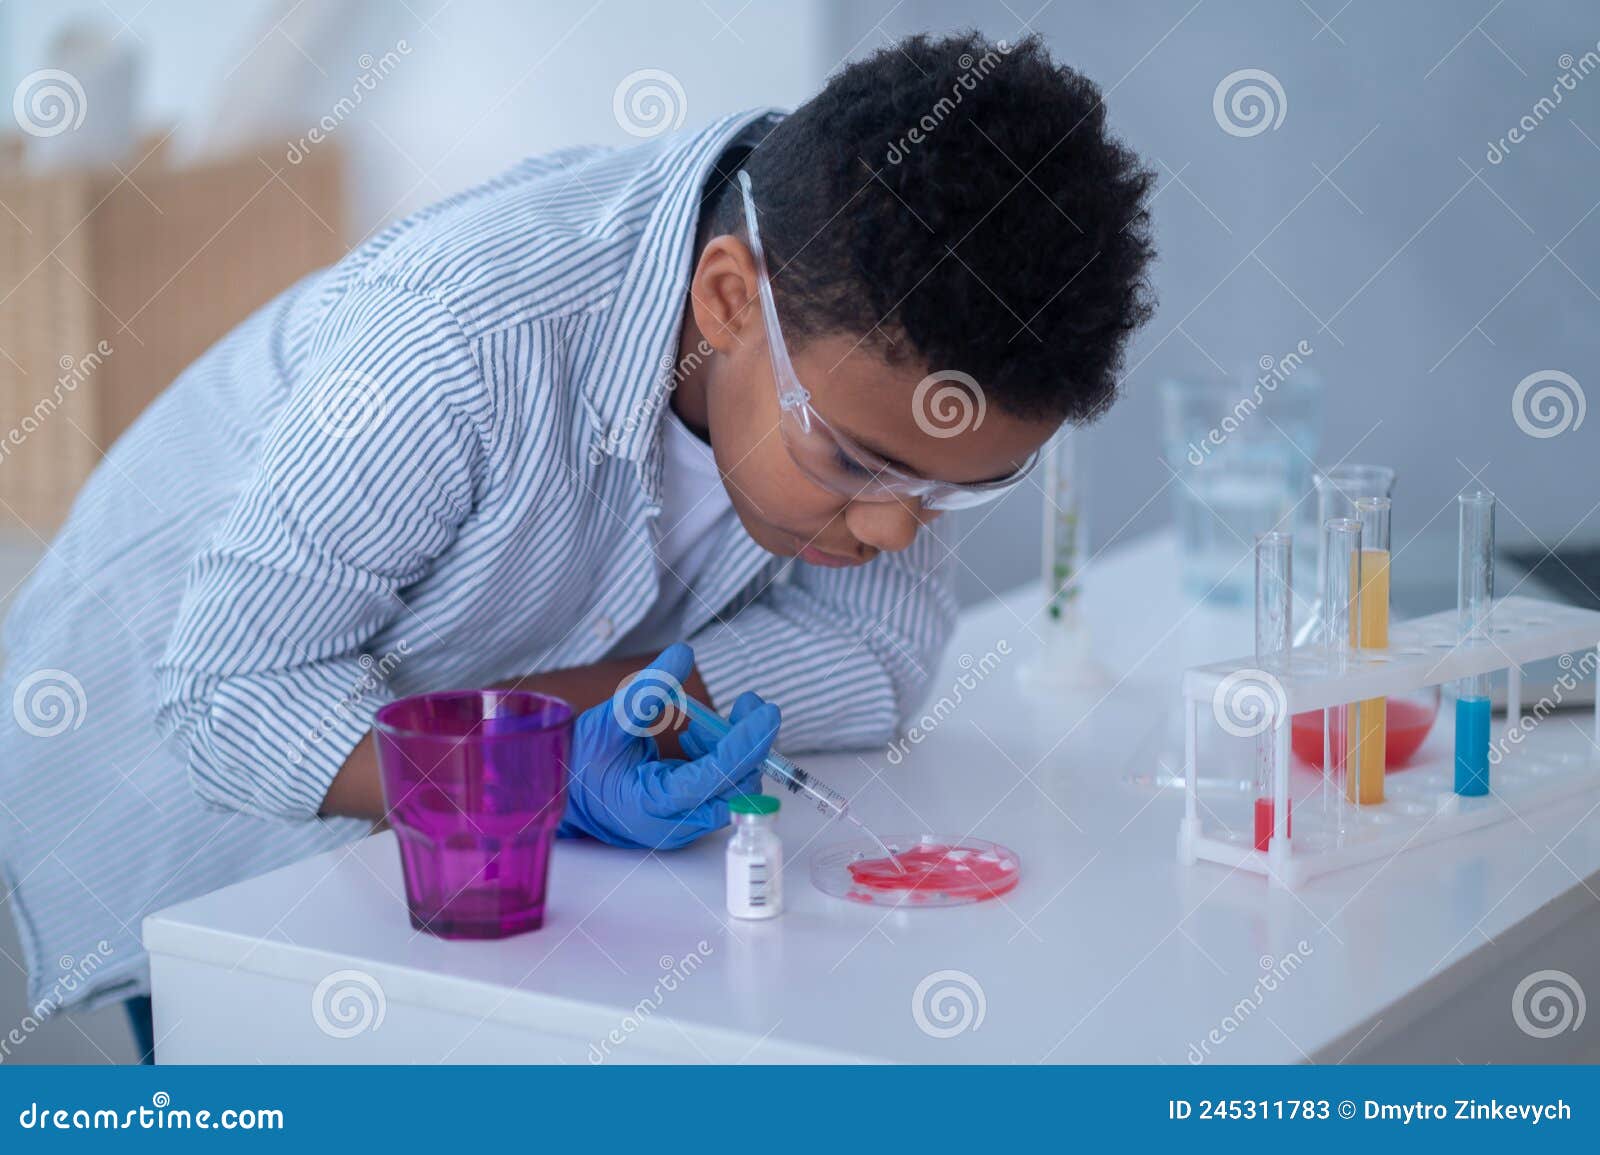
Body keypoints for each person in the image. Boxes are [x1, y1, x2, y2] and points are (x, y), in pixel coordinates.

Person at [0, 30, 1155, 1057]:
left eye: (958, 488)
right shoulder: (462, 338)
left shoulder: (868, 354)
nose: (895, 528)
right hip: (191, 830)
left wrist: (583, 724)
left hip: (442, 849)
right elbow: (227, 701)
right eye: (856, 465)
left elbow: (875, 660)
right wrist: (549, 759)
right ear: (725, 302)